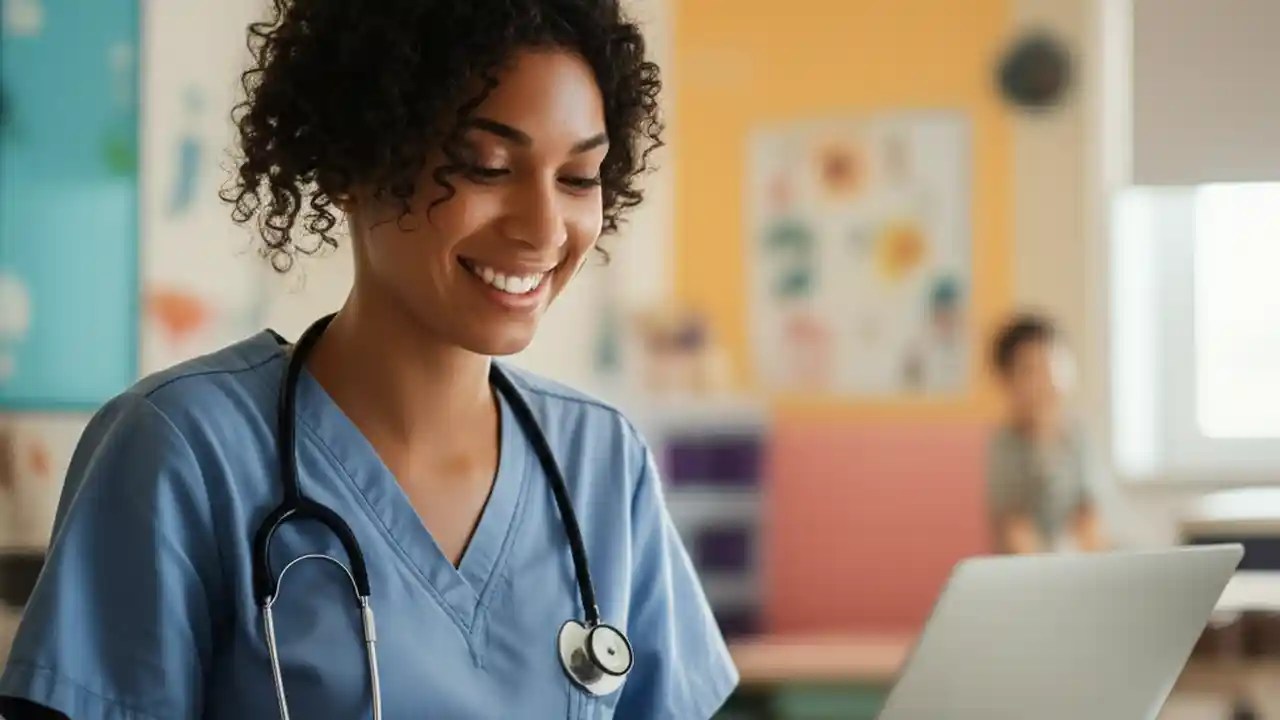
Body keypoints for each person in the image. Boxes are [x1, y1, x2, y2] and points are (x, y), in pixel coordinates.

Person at [0, 2, 738, 718]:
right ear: (356, 162)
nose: (546, 228)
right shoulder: (183, 451)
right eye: (484, 166)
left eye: (579, 178)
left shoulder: (602, 463)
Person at [986, 314, 1106, 555]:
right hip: (1031, 572)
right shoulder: (1005, 445)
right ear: (1007, 381)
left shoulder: (1078, 437)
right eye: (1030, 371)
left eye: (1051, 366)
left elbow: (1090, 520)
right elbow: (1016, 529)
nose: (1045, 380)